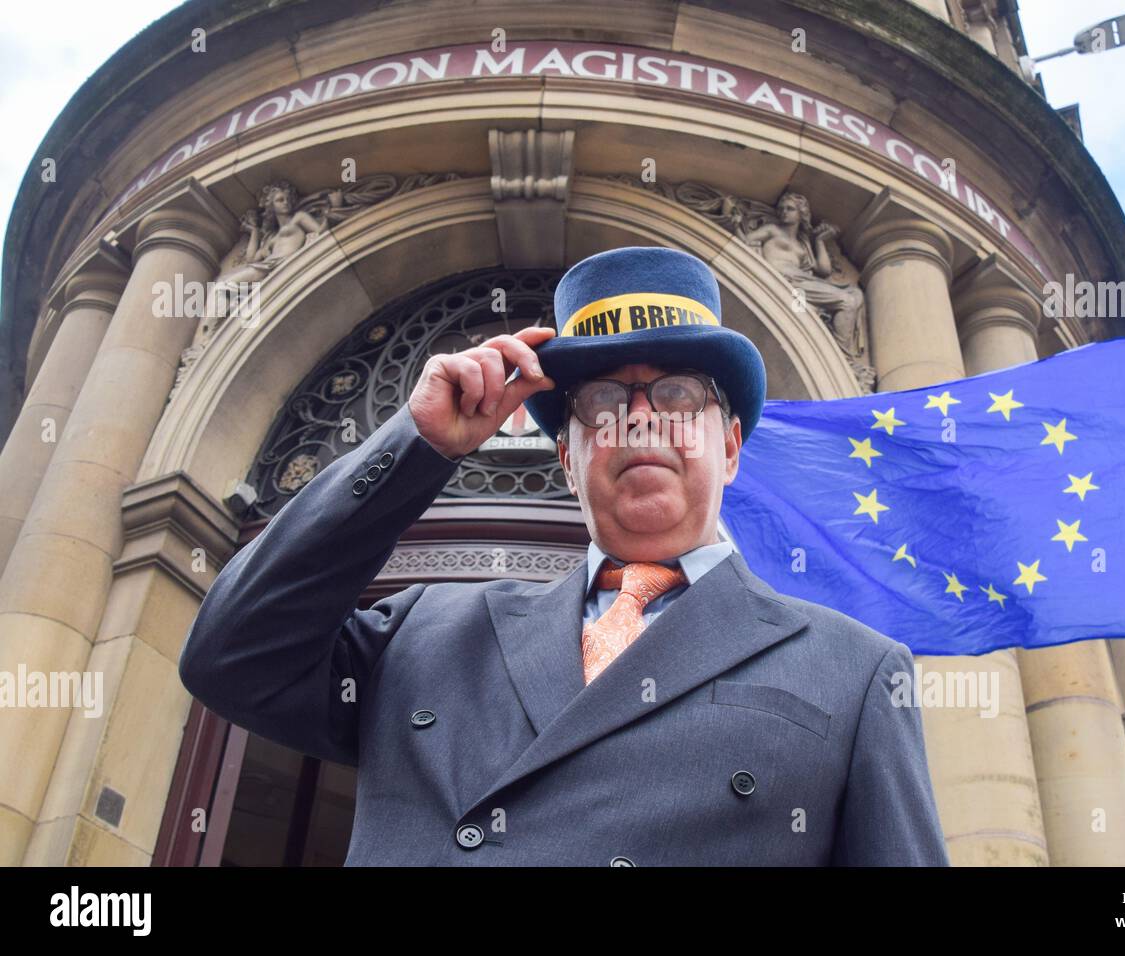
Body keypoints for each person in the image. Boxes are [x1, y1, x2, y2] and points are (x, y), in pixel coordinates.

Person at [179, 245, 950, 866]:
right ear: (567, 458)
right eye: (604, 403)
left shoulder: (853, 672)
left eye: (679, 395)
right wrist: (415, 447)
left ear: (733, 446)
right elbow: (232, 659)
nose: (642, 421)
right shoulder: (425, 630)